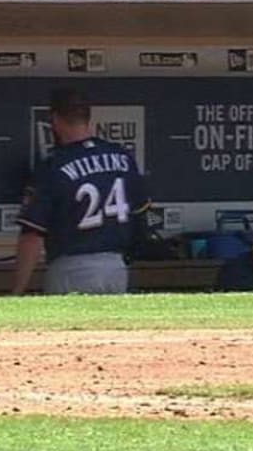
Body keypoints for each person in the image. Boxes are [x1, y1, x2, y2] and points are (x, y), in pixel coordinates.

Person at [13, 88, 151, 296]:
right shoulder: (122, 157)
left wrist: (17, 290)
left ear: (55, 120)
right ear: (87, 117)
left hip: (72, 268)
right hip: (116, 268)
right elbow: (140, 218)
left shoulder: (54, 165)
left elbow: (32, 235)